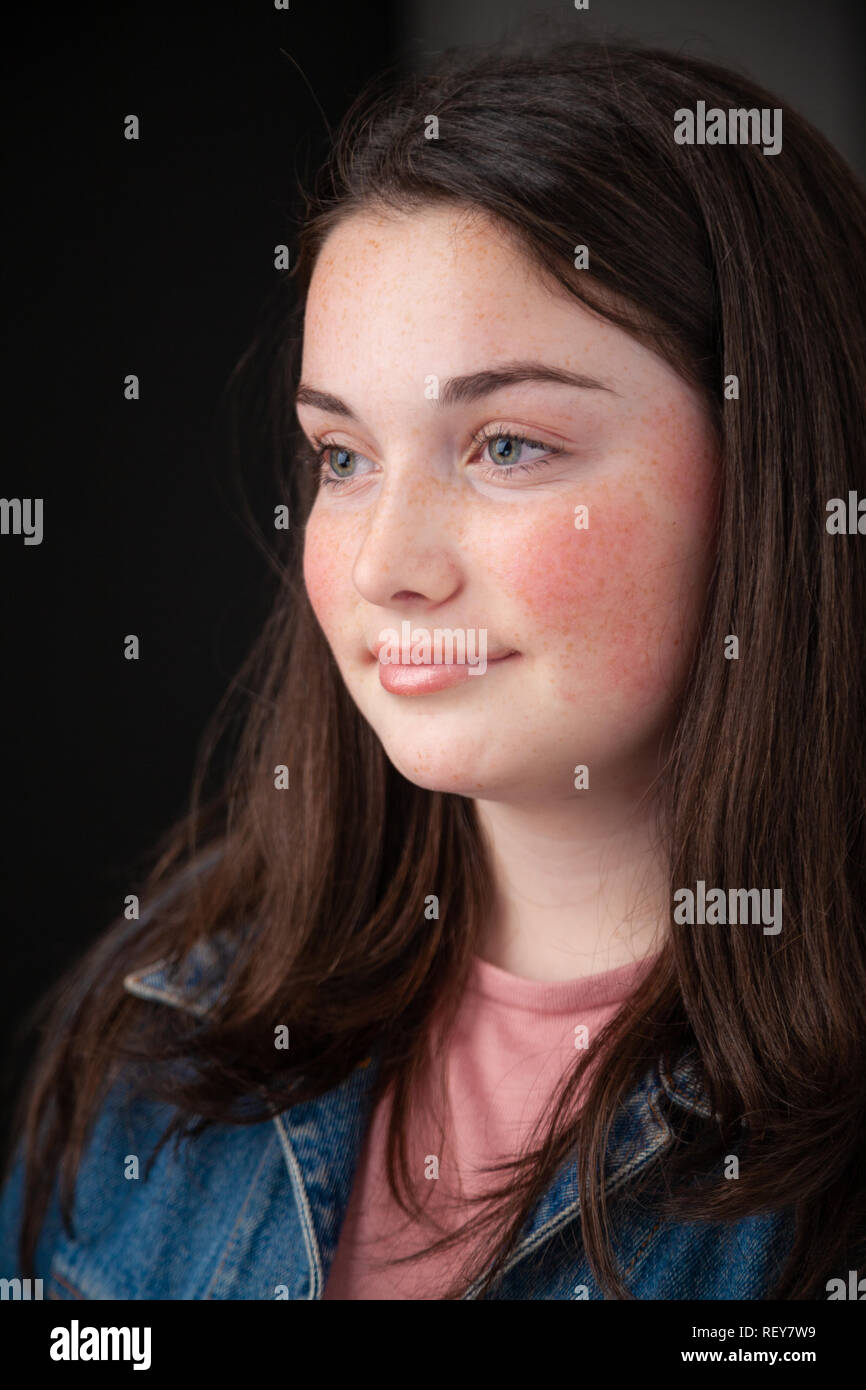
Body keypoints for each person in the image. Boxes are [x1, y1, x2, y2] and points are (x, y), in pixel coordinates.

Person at [2, 32, 865, 1301]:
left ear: (775, 471)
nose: (384, 565)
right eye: (343, 458)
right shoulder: (171, 1033)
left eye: (505, 444)